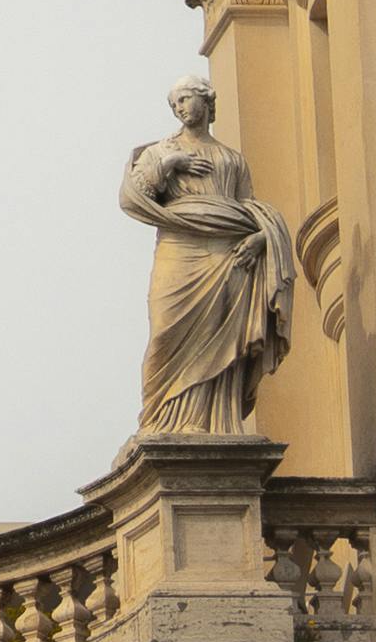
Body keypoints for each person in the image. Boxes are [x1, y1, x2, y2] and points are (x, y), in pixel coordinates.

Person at [124, 72, 295, 435]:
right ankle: (159, 419)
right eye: (176, 103)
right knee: (165, 335)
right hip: (179, 250)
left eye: (187, 98)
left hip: (228, 256)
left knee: (216, 335)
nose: (181, 107)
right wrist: (172, 166)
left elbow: (250, 208)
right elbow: (133, 197)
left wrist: (262, 239)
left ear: (207, 101)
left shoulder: (231, 159)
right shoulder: (162, 152)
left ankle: (210, 421)